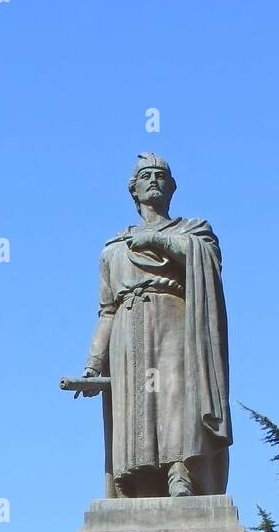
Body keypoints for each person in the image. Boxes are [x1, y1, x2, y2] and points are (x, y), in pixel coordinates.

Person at [81, 154, 232, 499]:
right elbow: (106, 312)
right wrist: (92, 364)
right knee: (135, 408)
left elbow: (207, 262)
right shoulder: (114, 249)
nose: (153, 180)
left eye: (161, 175)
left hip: (174, 319)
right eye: (145, 176)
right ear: (132, 190)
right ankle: (137, 482)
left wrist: (160, 242)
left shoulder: (193, 231)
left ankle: (181, 473)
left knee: (175, 395)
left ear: (172, 187)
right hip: (126, 329)